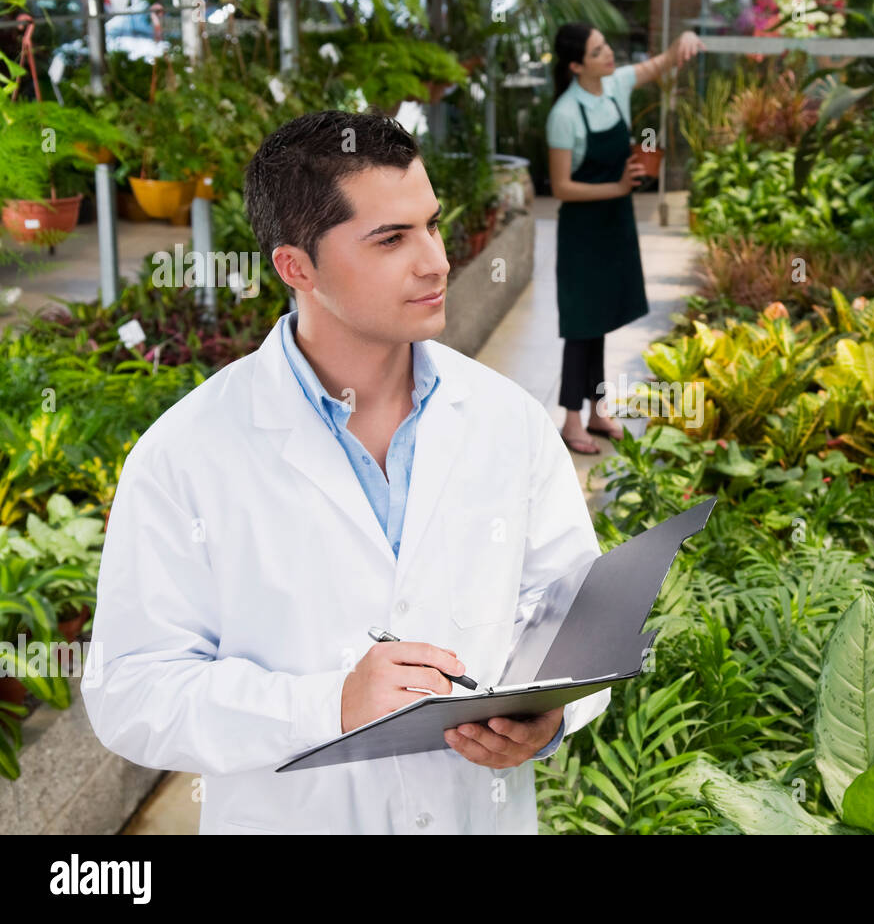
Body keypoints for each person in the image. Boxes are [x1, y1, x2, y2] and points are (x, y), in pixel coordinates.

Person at [80, 110, 610, 834]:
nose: (436, 260)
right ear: (296, 266)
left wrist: (550, 713)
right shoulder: (185, 458)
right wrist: (328, 705)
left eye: (431, 224)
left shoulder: (506, 421)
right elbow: (131, 691)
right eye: (391, 239)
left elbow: (571, 604)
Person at [546, 22, 704, 453]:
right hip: (581, 230)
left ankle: (597, 411)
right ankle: (571, 420)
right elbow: (561, 187)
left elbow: (664, 61)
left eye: (607, 47)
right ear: (577, 65)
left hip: (614, 223)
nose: (609, 55)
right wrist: (616, 186)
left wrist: (685, 37)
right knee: (580, 324)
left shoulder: (616, 85)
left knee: (599, 319)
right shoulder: (564, 114)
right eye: (598, 52)